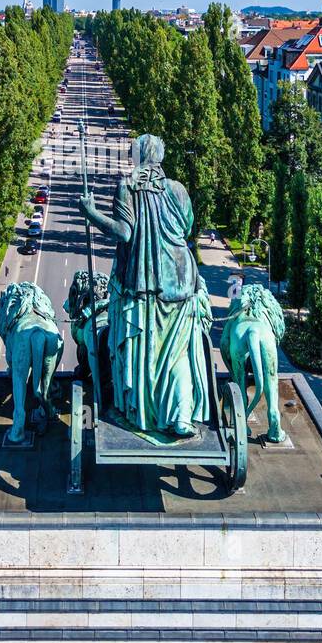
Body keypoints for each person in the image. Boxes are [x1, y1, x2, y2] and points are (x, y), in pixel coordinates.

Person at [78, 134, 210, 437]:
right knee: (176, 354)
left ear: (136, 157)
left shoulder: (127, 187)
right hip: (179, 282)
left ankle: (141, 415)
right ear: (160, 157)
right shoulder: (177, 189)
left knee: (141, 350)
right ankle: (181, 417)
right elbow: (187, 227)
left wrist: (91, 214)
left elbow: (124, 233)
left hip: (139, 284)